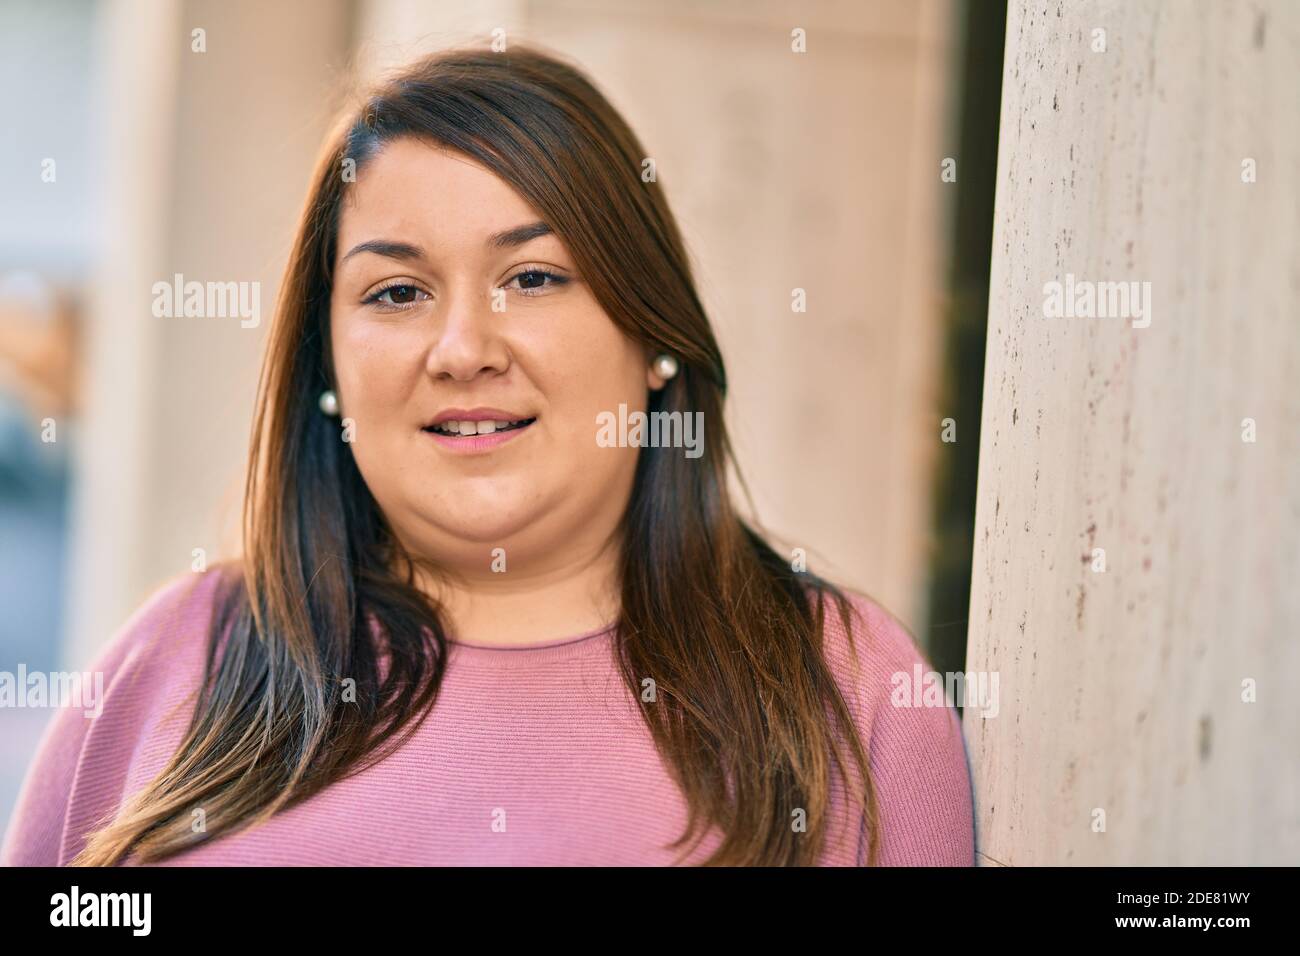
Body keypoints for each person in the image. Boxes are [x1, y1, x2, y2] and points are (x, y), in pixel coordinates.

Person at [1, 44, 973, 867]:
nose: (464, 347)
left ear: (654, 341)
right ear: (325, 365)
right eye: (396, 291)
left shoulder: (847, 690)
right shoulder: (172, 664)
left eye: (534, 276)